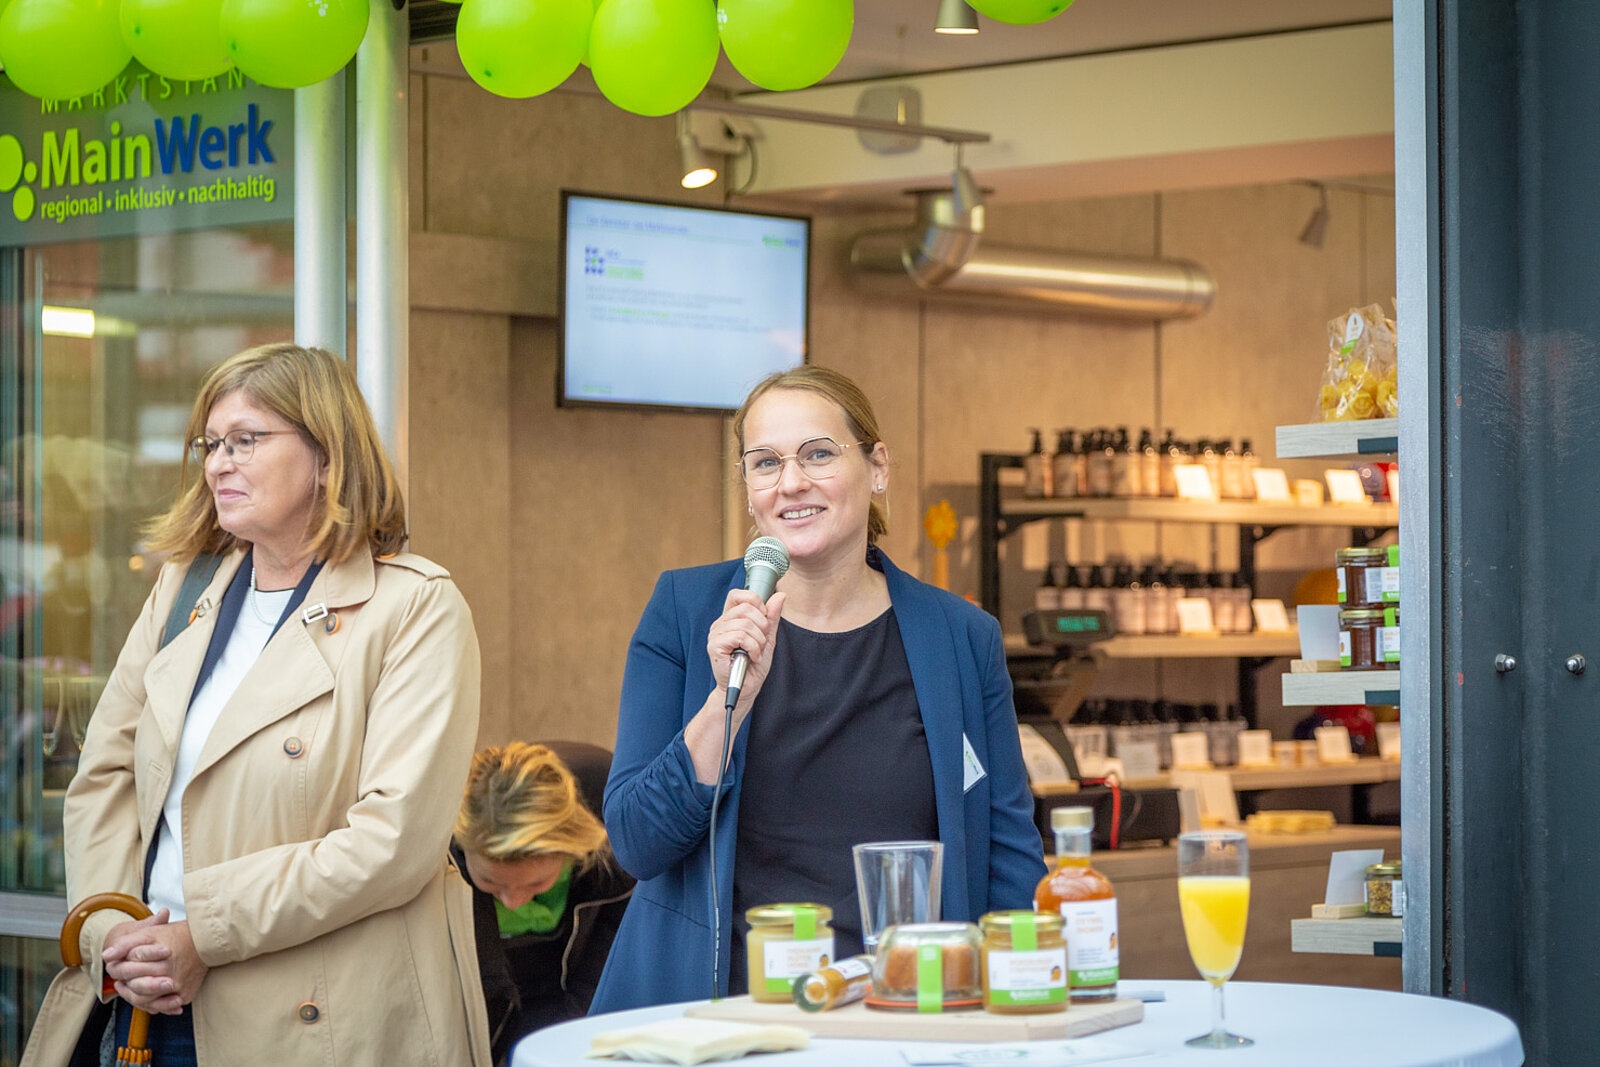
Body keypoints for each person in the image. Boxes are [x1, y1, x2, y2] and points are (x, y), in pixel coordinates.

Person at [22, 343, 490, 1067]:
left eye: (247, 440)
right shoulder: (185, 588)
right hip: (147, 1003)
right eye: (211, 444)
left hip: (317, 1020)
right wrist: (114, 934)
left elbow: (393, 839)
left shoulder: (416, 607)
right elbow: (107, 773)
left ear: (328, 456)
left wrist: (202, 933)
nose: (218, 463)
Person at [590, 365, 1046, 1012]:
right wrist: (729, 704)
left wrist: (1019, 1022)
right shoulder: (686, 612)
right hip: (725, 1017)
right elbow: (637, 841)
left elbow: (1009, 860)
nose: (792, 482)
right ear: (748, 488)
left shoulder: (962, 637)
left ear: (877, 467)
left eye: (819, 453)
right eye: (765, 462)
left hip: (904, 1014)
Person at [452, 741, 634, 1064]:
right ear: (463, 853)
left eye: (536, 884)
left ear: (571, 849)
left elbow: (599, 985)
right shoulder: (442, 877)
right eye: (492, 884)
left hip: (569, 1012)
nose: (513, 901)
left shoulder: (612, 871)